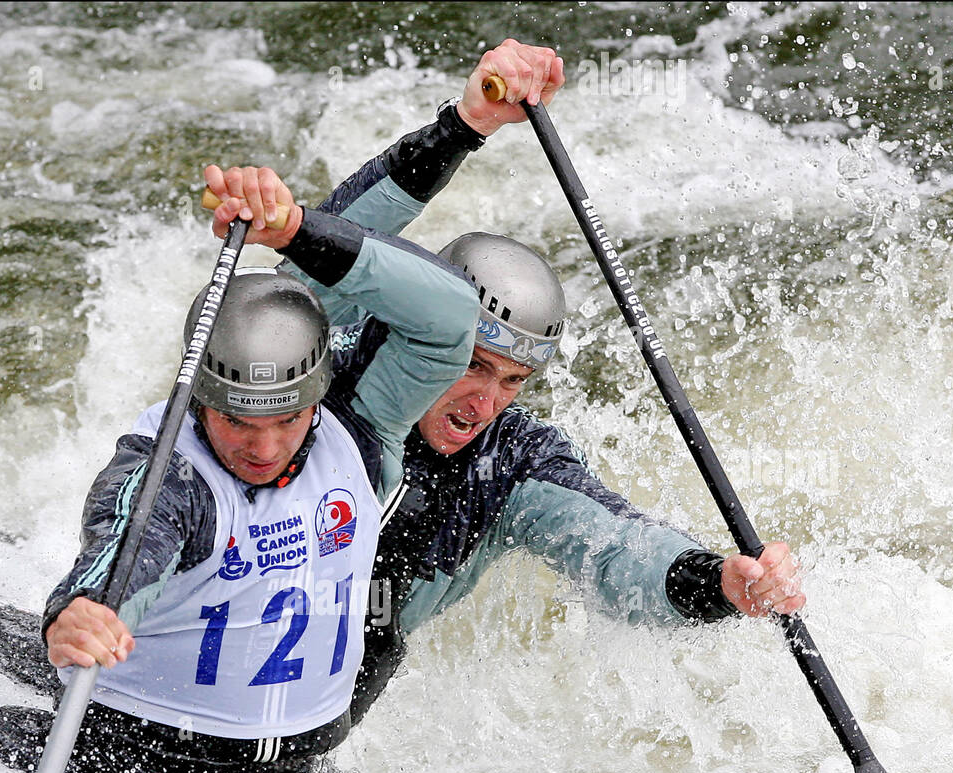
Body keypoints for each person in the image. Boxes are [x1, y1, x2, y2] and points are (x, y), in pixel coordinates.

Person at [238, 38, 803, 728]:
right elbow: (343, 233)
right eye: (472, 363)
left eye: (512, 380)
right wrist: (465, 124)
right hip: (214, 624)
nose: (485, 402)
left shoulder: (513, 465)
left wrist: (719, 583)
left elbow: (618, 551)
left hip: (316, 709)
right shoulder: (336, 341)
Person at [0, 161, 479, 773]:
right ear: (201, 396)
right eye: (236, 419)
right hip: (121, 768)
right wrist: (81, 611)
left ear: (317, 398)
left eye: (286, 421)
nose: (262, 448)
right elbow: (125, 542)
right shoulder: (169, 476)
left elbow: (451, 317)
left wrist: (300, 229)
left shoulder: (363, 436)